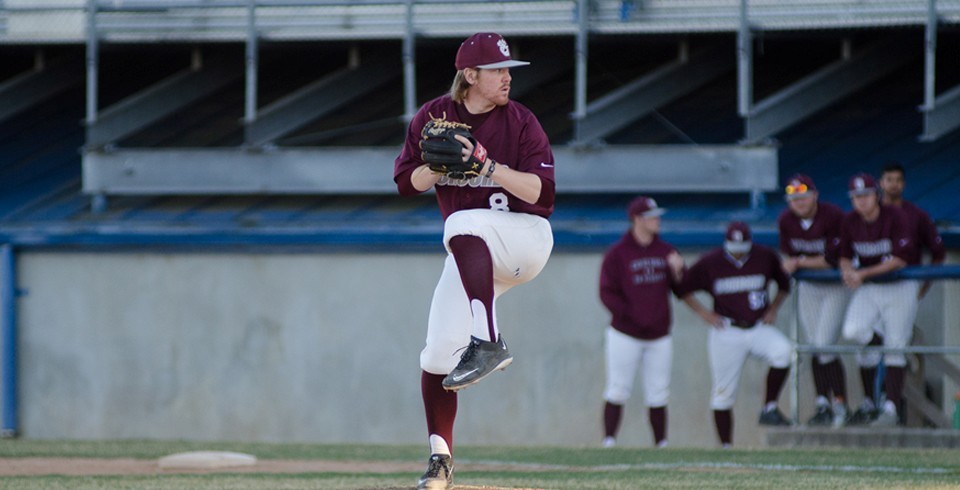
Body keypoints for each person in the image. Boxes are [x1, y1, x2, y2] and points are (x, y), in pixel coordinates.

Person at [393, 32, 555, 490]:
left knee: (462, 223)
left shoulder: (521, 121)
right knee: (437, 354)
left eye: (508, 70)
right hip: (473, 254)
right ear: (469, 75)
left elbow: (542, 195)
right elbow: (408, 182)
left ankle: (488, 341)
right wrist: (436, 169)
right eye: (498, 70)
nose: (507, 78)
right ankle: (440, 459)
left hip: (524, 240)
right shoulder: (433, 116)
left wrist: (488, 167)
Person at [677, 221, 793, 448]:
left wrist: (773, 308)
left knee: (784, 352)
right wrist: (703, 313)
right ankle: (726, 447)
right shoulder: (711, 262)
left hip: (758, 326)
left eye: (743, 247)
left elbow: (784, 284)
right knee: (723, 393)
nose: (739, 252)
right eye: (734, 246)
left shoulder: (764, 256)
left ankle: (769, 407)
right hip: (726, 330)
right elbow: (681, 288)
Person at [598, 196, 684, 448]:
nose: (657, 221)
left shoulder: (667, 251)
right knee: (617, 388)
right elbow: (606, 292)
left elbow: (681, 289)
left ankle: (661, 444)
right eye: (652, 216)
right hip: (625, 334)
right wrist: (631, 316)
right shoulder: (617, 254)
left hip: (659, 334)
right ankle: (609, 441)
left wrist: (679, 271)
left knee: (658, 391)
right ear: (637, 219)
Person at [838, 172, 915, 427]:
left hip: (899, 285)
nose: (861, 201)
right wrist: (848, 269)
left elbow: (900, 258)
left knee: (896, 348)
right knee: (854, 330)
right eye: (856, 196)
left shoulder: (895, 216)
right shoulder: (849, 221)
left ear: (876, 196)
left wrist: (862, 273)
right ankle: (877, 343)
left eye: (865, 195)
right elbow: (843, 254)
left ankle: (890, 407)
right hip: (870, 287)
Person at [776, 174, 851, 427]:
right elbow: (788, 254)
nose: (799, 202)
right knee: (814, 345)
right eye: (794, 198)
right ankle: (822, 402)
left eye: (803, 196)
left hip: (834, 286)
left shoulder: (832, 216)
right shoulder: (786, 220)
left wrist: (800, 262)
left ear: (815, 195)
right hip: (808, 287)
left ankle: (839, 403)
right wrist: (800, 262)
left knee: (824, 343)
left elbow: (832, 259)